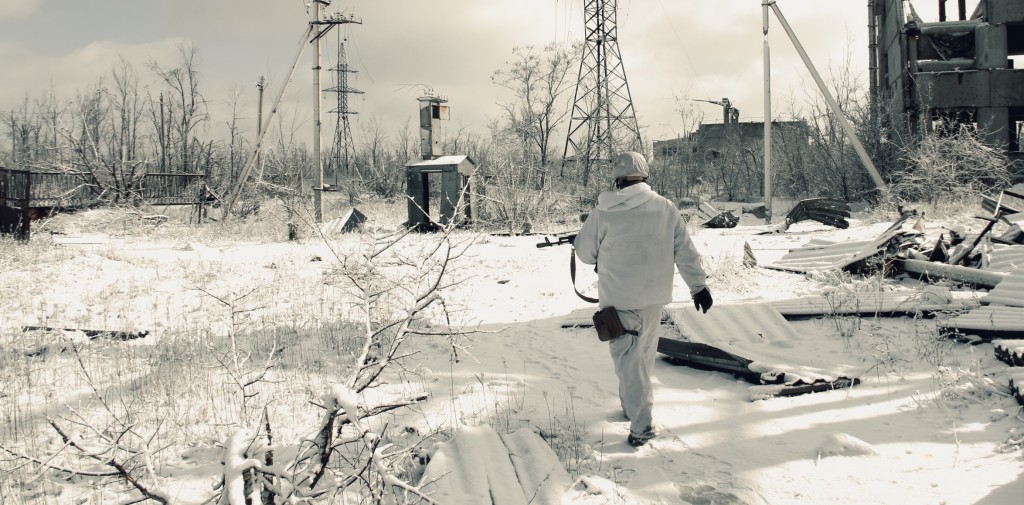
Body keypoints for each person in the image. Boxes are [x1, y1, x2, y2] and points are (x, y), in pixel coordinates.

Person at [573, 151, 713, 447]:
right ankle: (631, 407)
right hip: (654, 298)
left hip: (620, 302)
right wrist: (698, 286)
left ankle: (642, 426)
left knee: (629, 364)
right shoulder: (666, 207)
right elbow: (685, 251)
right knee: (642, 362)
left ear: (618, 179)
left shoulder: (603, 211)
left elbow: (585, 254)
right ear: (645, 176)